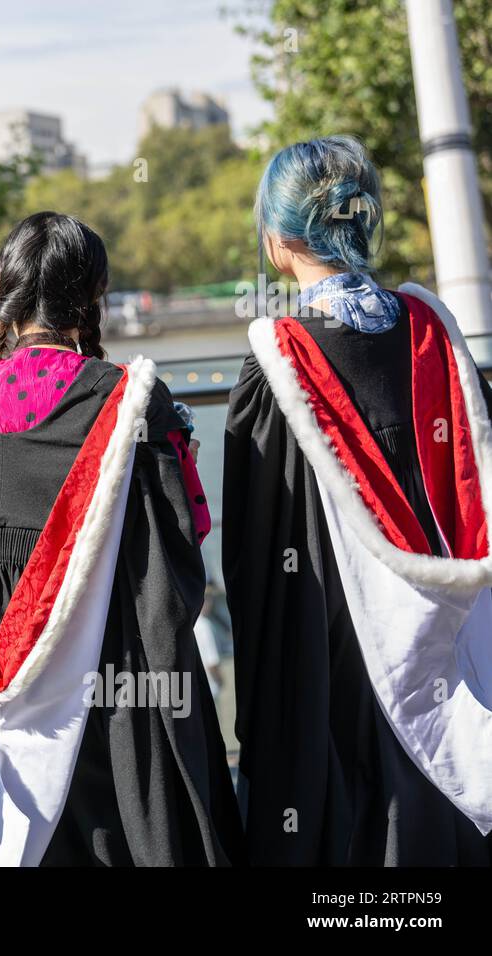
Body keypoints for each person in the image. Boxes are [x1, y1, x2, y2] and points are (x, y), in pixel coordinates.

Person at [0, 211, 242, 866]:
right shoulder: (125, 399)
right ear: (93, 295)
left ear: (5, 288)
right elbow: (178, 554)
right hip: (112, 693)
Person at [225, 135, 492, 865]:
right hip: (462, 617)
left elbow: (255, 546)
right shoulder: (433, 330)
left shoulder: (276, 359)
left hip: (339, 629)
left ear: (278, 242)